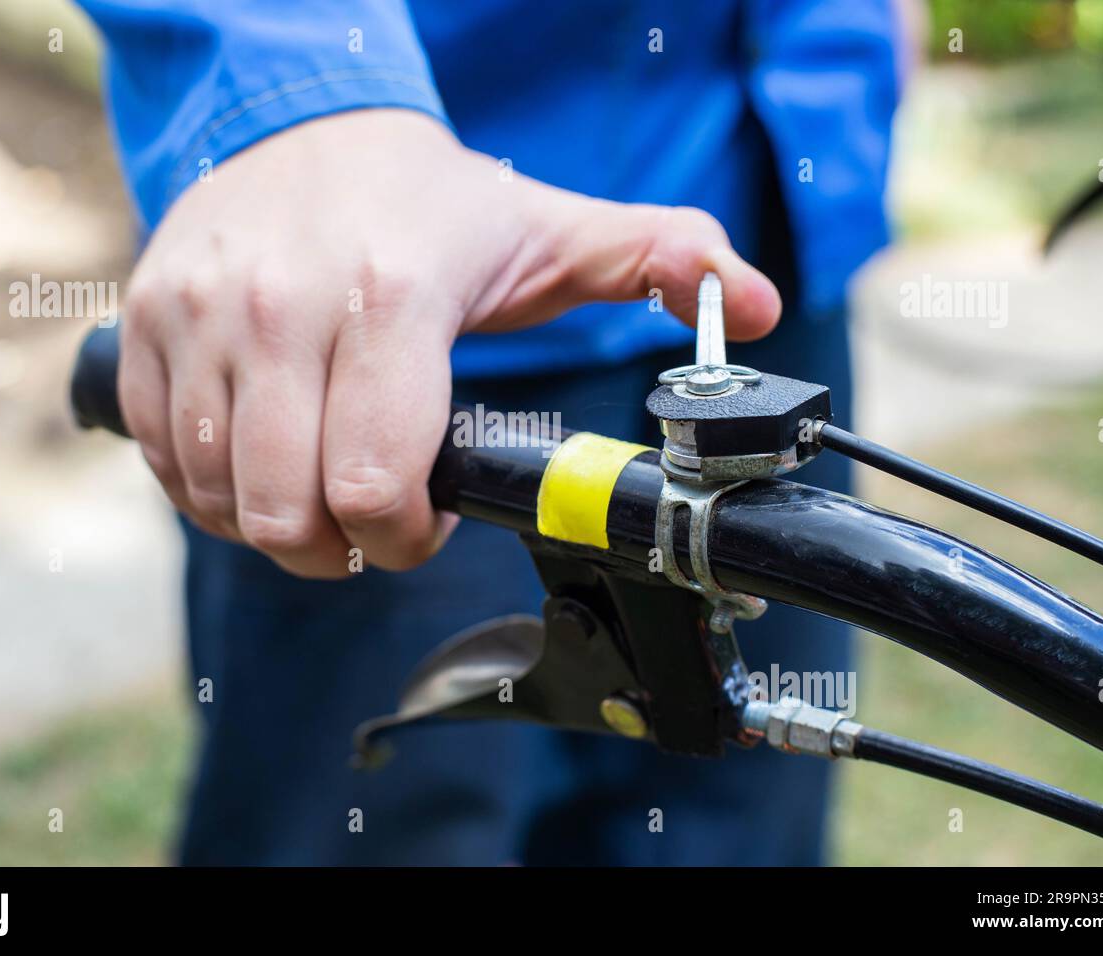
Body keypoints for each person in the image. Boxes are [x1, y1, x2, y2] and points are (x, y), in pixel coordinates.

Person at [74, 0, 900, 864]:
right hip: (400, 318)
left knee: (738, 821)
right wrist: (305, 95)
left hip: (769, 244)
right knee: (380, 824)